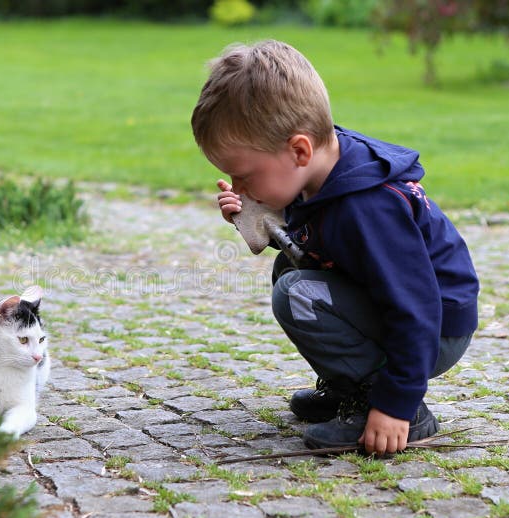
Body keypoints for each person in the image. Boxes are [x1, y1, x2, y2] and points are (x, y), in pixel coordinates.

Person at [191, 40, 479, 456]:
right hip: (403, 311)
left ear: (299, 150)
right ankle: (349, 386)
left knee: (298, 293)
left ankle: (388, 403)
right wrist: (256, 214)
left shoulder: (367, 207)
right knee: (290, 274)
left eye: (244, 175)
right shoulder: (321, 169)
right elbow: (316, 243)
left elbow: (415, 307)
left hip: (434, 330)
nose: (239, 186)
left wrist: (396, 405)